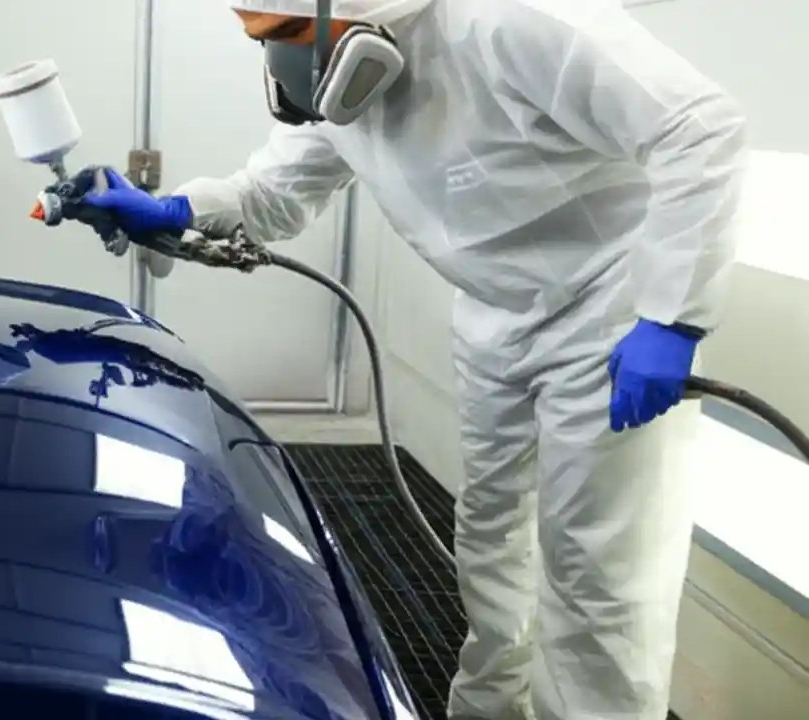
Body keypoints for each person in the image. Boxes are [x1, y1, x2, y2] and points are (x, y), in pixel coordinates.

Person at [78, 1, 748, 718]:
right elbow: (272, 195)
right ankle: (489, 707)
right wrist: (174, 212)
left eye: (289, 35)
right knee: (490, 537)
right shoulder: (348, 84)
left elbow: (699, 127)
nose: (282, 63)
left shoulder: (512, 21)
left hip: (608, 315)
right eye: (259, 40)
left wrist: (671, 316)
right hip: (494, 316)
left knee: (596, 566)